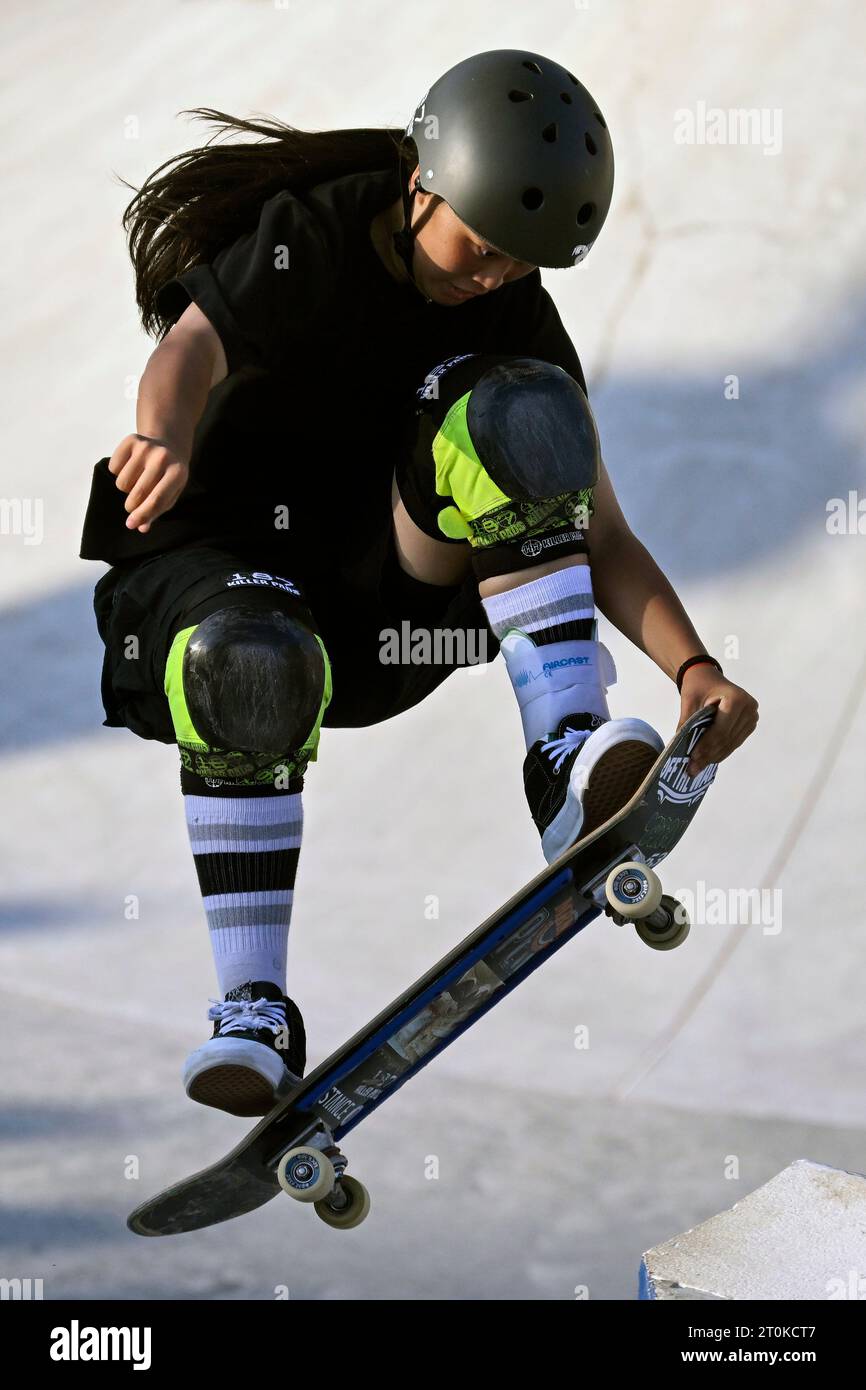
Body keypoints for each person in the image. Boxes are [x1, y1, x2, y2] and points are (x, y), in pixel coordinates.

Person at [79, 48, 758, 1119]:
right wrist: (158, 433)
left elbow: (602, 527)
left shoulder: (512, 312)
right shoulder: (316, 232)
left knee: (519, 412)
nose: (488, 277)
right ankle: (252, 1009)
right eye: (478, 248)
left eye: (516, 265)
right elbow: (193, 348)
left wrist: (692, 666)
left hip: (379, 615)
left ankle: (565, 755)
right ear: (421, 184)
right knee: (248, 649)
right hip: (214, 584)